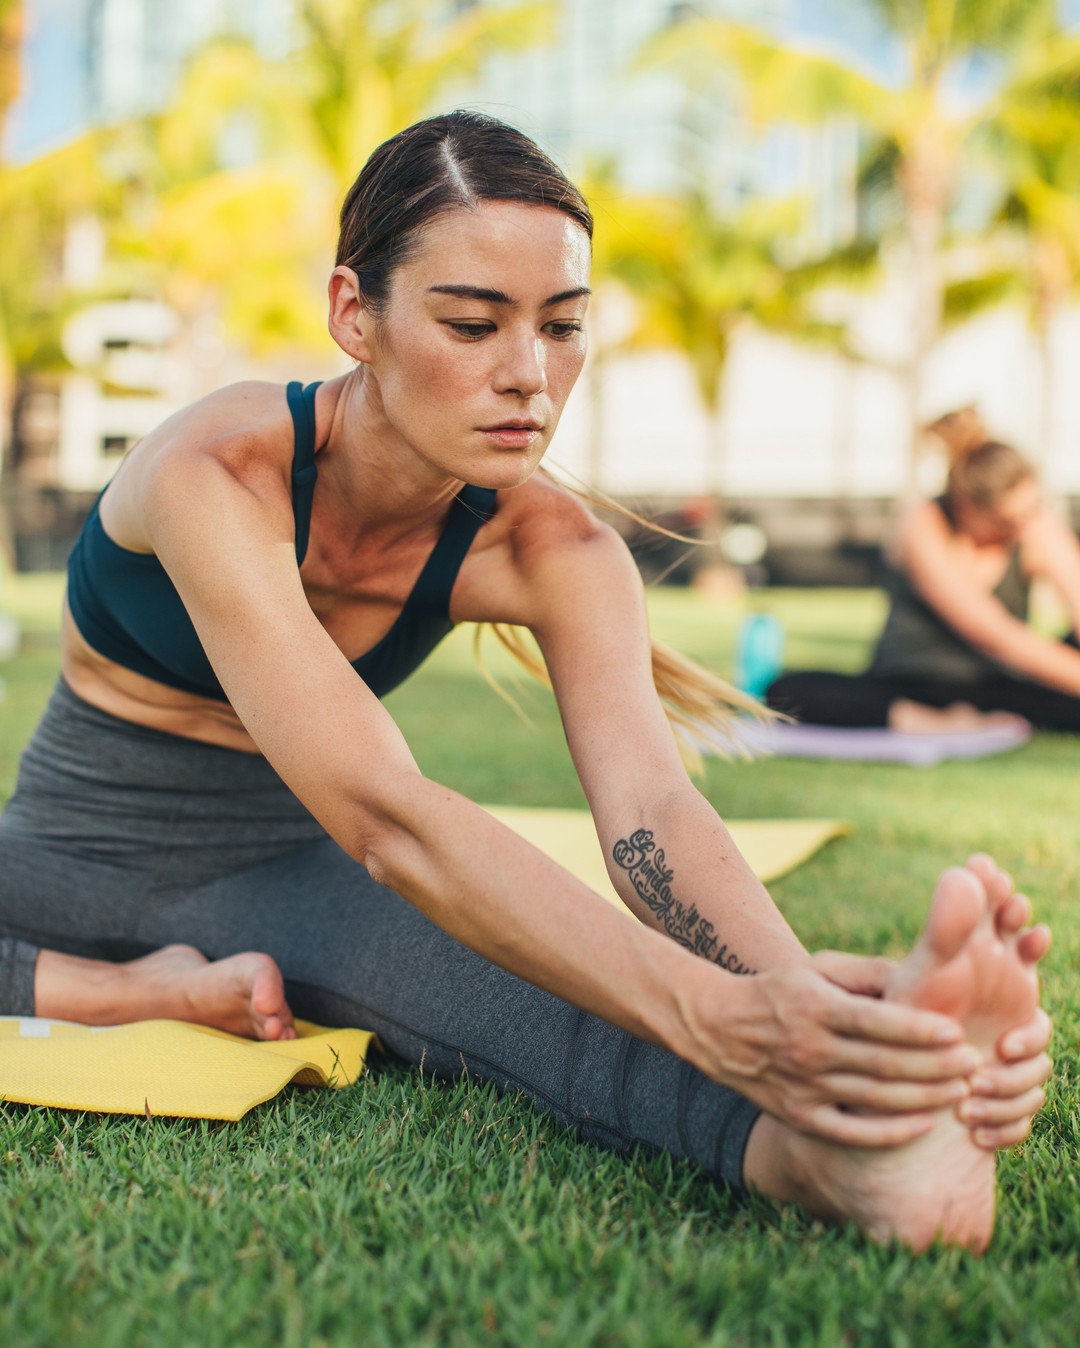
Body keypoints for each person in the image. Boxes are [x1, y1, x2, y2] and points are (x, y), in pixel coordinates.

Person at [0, 113, 1053, 1253]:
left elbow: (651, 812)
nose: (528, 376)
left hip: (289, 874)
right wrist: (709, 1009)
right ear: (354, 314)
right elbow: (386, 816)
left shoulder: (560, 550)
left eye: (562, 326)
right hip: (63, 857)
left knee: (528, 968)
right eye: (472, 324)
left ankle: (832, 1158)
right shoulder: (218, 471)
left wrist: (803, 1006)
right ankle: (124, 990)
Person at [767, 414, 1080, 733]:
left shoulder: (1035, 527)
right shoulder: (924, 524)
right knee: (787, 690)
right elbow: (1000, 640)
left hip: (994, 687)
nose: (1025, 528)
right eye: (1007, 522)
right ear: (967, 509)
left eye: (1034, 508)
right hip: (913, 685)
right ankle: (924, 720)